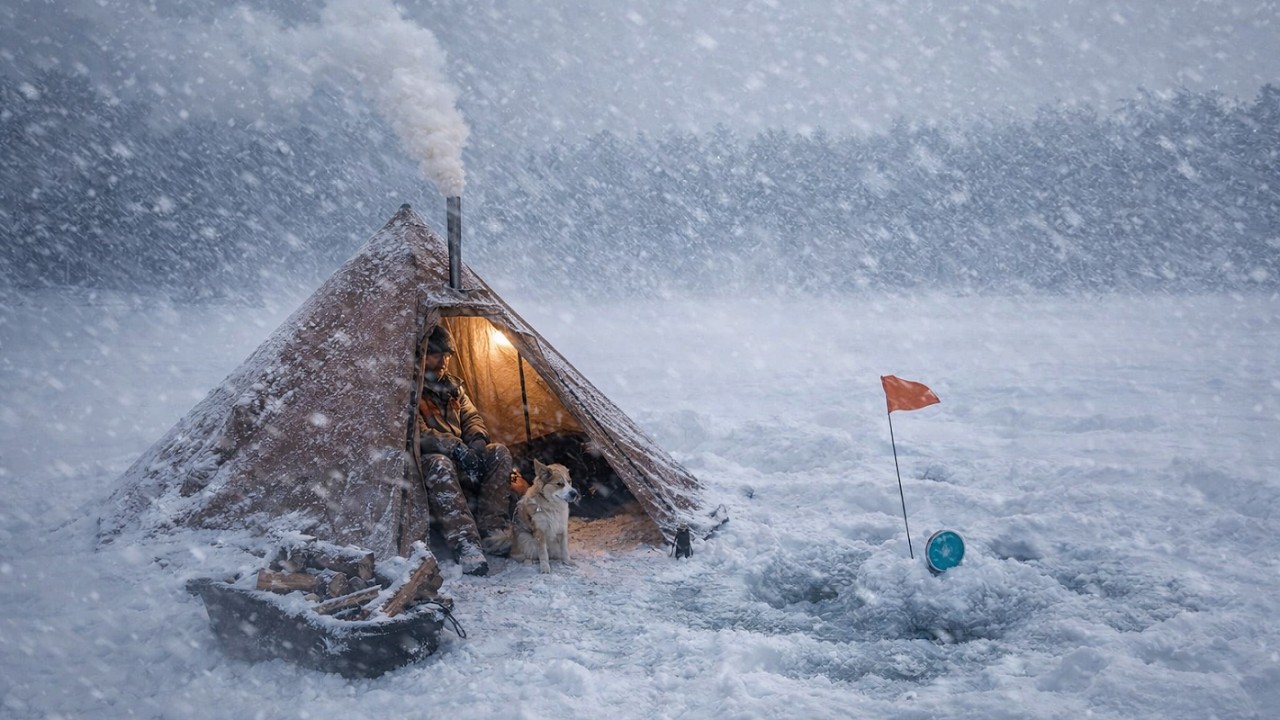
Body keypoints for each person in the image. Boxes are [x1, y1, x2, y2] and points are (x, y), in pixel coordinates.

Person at [417, 324, 513, 576]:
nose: (443, 362)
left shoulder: (453, 387)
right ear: (422, 354)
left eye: (447, 355)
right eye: (436, 355)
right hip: (425, 463)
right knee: (439, 463)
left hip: (460, 455)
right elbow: (418, 433)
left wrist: (478, 444)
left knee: (499, 452)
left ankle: (492, 530)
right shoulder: (410, 390)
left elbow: (472, 418)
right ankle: (465, 542)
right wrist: (455, 447)